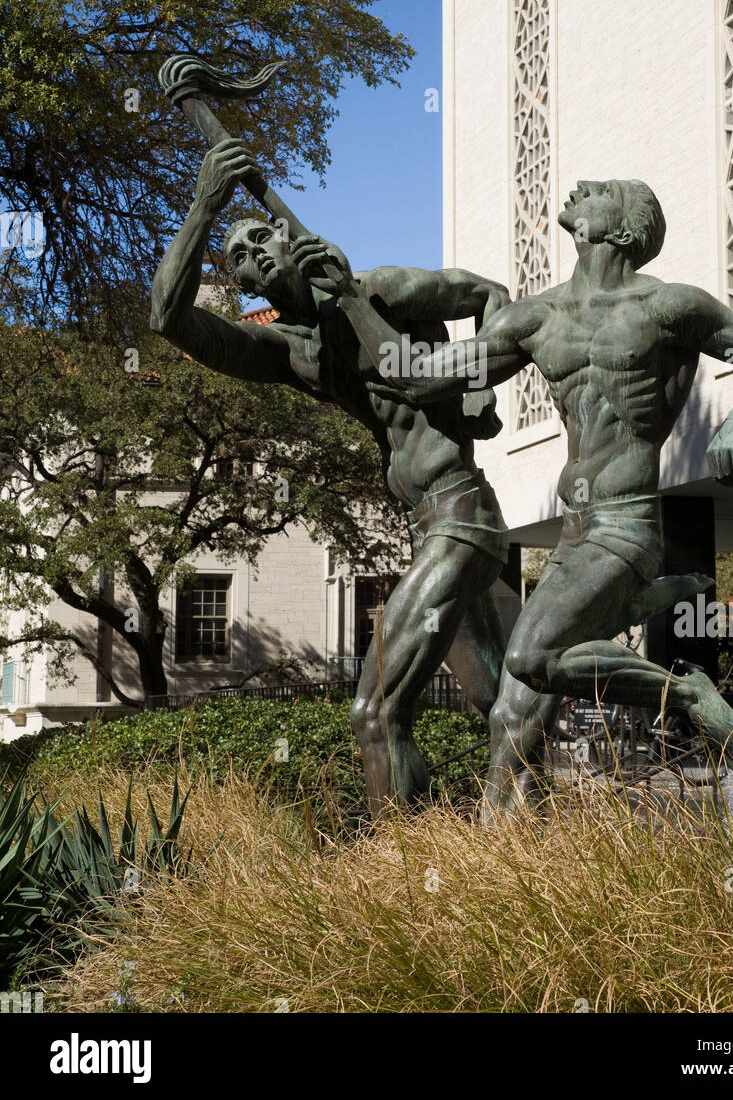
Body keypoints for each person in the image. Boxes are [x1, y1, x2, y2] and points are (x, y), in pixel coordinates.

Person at [310, 178, 733, 807]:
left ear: (623, 228)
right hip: (574, 533)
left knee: (533, 656)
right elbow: (421, 380)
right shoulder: (535, 317)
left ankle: (688, 694)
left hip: (625, 523)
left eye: (605, 191)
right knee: (511, 720)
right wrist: (352, 300)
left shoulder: (670, 307)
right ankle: (497, 871)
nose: (584, 188)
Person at [150, 138, 518, 813]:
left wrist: (477, 389)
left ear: (289, 244)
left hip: (459, 514)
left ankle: (404, 877)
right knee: (502, 703)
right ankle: (522, 847)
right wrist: (206, 202)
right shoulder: (290, 354)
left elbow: (491, 296)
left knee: (374, 712)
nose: (254, 256)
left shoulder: (379, 291)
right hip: (431, 525)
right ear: (248, 289)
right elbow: (168, 319)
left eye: (261, 239)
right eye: (239, 261)